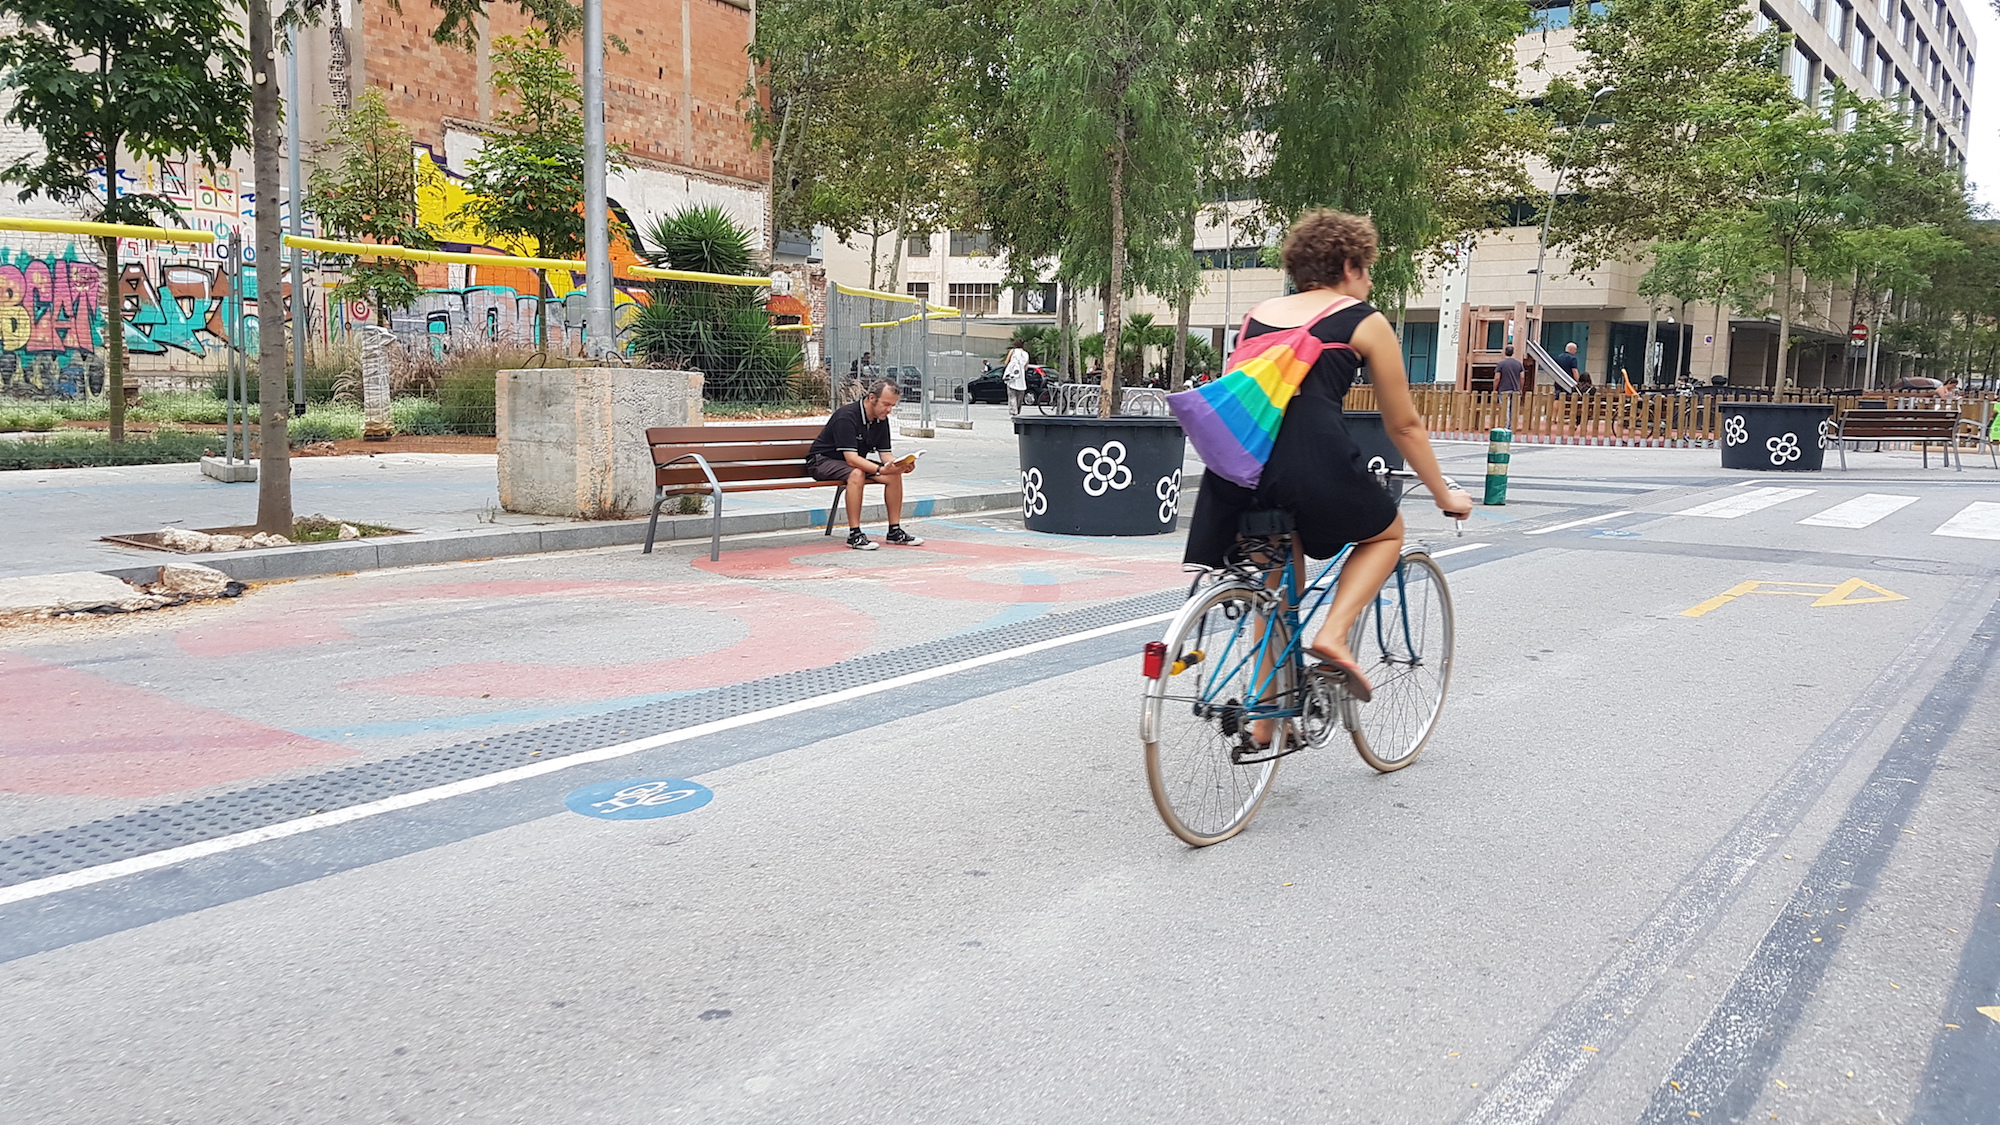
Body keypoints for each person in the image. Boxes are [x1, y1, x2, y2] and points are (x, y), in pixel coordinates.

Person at [1183, 209, 1472, 707]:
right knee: (1387, 532)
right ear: (1349, 266)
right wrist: (1445, 493)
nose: (1371, 280)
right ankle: (1334, 635)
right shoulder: (1365, 321)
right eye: (1368, 268)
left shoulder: (1256, 316)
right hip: (1312, 461)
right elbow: (1403, 424)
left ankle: (1265, 722)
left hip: (1241, 472)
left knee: (1273, 604)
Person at [805, 379, 926, 550]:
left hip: (849, 463)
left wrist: (900, 464)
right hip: (821, 461)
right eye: (886, 404)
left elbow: (885, 454)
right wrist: (880, 469)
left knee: (893, 474)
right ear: (871, 398)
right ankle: (854, 534)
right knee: (856, 473)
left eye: (892, 405)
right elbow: (852, 459)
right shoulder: (846, 416)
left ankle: (894, 531)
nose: (889, 410)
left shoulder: (880, 418)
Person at [1003, 339, 1031, 415]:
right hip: (1021, 379)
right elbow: (1026, 367)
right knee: (1019, 397)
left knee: (1012, 396)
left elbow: (1006, 362)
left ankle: (1013, 412)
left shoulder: (1013, 351)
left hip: (1012, 377)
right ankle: (1018, 411)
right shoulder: (1026, 354)